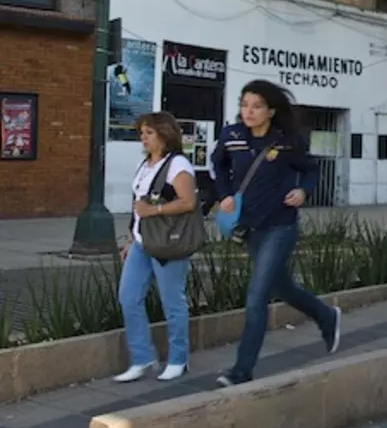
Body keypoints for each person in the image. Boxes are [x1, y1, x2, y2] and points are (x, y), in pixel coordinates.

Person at [209, 79, 342, 387]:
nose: (248, 112)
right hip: (250, 227)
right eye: (244, 105)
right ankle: (326, 316)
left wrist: (303, 192)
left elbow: (310, 169)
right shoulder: (232, 136)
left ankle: (241, 371)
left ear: (270, 111)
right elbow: (218, 168)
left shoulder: (286, 141)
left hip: (281, 225)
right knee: (283, 288)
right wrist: (224, 194)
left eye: (256, 107)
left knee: (257, 296)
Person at [114, 112, 197, 383]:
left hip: (168, 245)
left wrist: (155, 210)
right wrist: (131, 238)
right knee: (128, 297)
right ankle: (142, 357)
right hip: (141, 243)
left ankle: (178, 359)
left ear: (164, 133)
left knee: (172, 302)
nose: (143, 138)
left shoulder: (178, 165)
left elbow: (188, 202)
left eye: (149, 133)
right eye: (141, 133)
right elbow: (137, 205)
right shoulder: (146, 165)